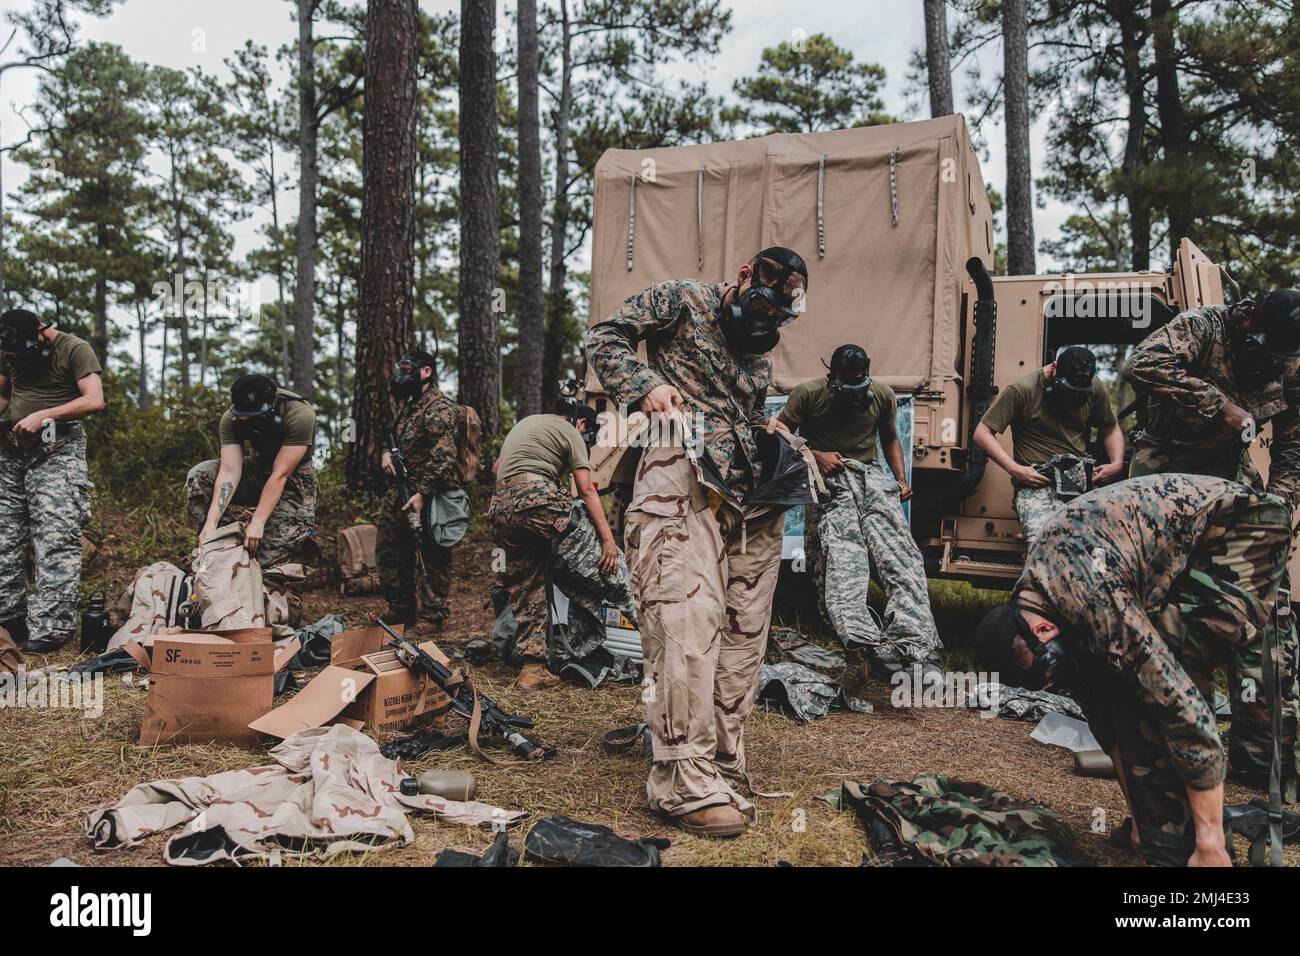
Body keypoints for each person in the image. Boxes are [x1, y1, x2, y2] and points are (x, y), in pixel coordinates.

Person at [586, 246, 809, 839]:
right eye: (762, 306)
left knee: (743, 630)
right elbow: (604, 335)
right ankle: (680, 777)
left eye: (779, 318)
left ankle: (720, 762)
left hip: (748, 500)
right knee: (685, 616)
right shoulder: (683, 300)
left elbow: (747, 412)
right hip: (677, 475)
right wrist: (645, 385)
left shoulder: (761, 354)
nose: (767, 325)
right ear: (741, 278)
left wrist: (778, 441)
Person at [971, 473, 1292, 866]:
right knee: (1118, 686)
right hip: (1181, 550)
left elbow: (1178, 702)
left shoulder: (1090, 598)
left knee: (1171, 668)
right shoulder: (1037, 600)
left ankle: (1205, 842)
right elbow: (1106, 722)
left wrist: (1210, 842)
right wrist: (1142, 814)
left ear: (1042, 630)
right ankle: (1164, 828)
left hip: (1245, 525)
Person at [1122, 289, 1300, 785]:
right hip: (1165, 465)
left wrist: (1279, 511)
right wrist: (1215, 403)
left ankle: (1264, 759)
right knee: (1160, 601)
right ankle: (1171, 745)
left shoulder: (1291, 360)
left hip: (1232, 478)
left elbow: (1294, 448)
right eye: (1263, 347)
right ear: (1247, 319)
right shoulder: (1205, 326)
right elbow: (1143, 363)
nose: (1270, 361)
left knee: (1269, 606)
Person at [779, 343, 942, 680]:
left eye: (859, 382)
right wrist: (817, 453)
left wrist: (900, 479)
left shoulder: (881, 395)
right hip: (827, 489)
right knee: (832, 568)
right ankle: (855, 651)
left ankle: (911, 646)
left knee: (900, 561)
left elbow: (891, 438)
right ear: (831, 377)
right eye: (845, 384)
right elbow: (779, 433)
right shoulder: (808, 394)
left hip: (871, 486)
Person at [489, 397, 619, 691]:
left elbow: (497, 468)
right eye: (589, 437)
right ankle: (613, 610)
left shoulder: (526, 423)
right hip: (535, 500)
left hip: (500, 510)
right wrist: (609, 541)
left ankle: (532, 669)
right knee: (587, 551)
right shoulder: (571, 429)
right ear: (582, 423)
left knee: (527, 584)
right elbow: (586, 489)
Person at [0, 307, 105, 653]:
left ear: (42, 333)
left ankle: (51, 626)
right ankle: (9, 620)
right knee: (5, 536)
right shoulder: (9, 351)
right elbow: (3, 394)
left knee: (56, 535)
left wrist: (43, 414)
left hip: (57, 449)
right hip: (12, 451)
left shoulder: (75, 349)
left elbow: (94, 399)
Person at [973, 345, 1124, 548]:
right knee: (1043, 547)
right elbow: (982, 433)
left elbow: (1110, 427)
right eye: (1069, 390)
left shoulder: (1093, 387)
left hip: (1077, 481)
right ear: (1053, 369)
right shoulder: (1023, 390)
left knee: (1093, 547)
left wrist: (1117, 463)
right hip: (1037, 482)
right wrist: (1015, 469)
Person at [187, 373, 317, 568]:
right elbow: (230, 471)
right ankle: (224, 543)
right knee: (199, 476)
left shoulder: (300, 415)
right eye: (242, 415)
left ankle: (300, 545)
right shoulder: (230, 419)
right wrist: (211, 523)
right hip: (258, 467)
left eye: (254, 414)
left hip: (293, 477)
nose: (246, 418)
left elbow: (280, 474)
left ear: (272, 402)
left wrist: (258, 521)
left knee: (265, 560)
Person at [378, 350, 463, 636]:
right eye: (398, 368)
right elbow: (397, 442)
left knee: (432, 555)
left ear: (426, 372)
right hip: (401, 490)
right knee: (391, 550)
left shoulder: (438, 407)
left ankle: (433, 616)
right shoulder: (410, 407)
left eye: (406, 368)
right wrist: (386, 454)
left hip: (431, 493)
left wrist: (422, 493)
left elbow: (444, 457)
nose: (400, 375)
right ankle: (401, 608)